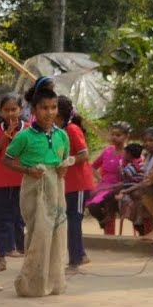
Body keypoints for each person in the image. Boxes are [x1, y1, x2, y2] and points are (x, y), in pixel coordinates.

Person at [2, 84, 70, 298]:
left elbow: (63, 160)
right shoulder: (24, 136)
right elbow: (7, 159)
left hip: (56, 189)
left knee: (57, 235)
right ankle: (31, 284)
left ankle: (53, 281)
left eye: (53, 107)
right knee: (38, 235)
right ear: (33, 111)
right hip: (34, 188)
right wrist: (28, 170)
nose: (49, 112)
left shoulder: (62, 135)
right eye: (44, 108)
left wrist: (62, 168)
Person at [0, 94, 27, 272]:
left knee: (22, 219)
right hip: (1, 181)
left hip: (23, 178)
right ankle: (1, 258)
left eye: (14, 109)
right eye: (6, 110)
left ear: (20, 110)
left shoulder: (28, 129)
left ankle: (25, 254)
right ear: (1, 111)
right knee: (2, 219)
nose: (10, 113)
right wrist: (6, 135)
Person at [58, 96, 94, 272]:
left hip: (78, 184)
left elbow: (84, 154)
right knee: (70, 220)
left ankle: (76, 259)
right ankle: (80, 254)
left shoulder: (72, 129)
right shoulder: (60, 130)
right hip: (68, 184)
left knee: (74, 220)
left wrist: (68, 160)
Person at [87, 121, 133, 234]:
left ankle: (109, 231)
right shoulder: (107, 151)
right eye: (112, 134)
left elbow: (137, 170)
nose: (114, 137)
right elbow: (93, 166)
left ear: (126, 136)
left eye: (118, 135)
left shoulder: (130, 153)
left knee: (107, 203)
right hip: (104, 185)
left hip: (120, 186)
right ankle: (104, 223)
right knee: (92, 206)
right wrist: (98, 178)